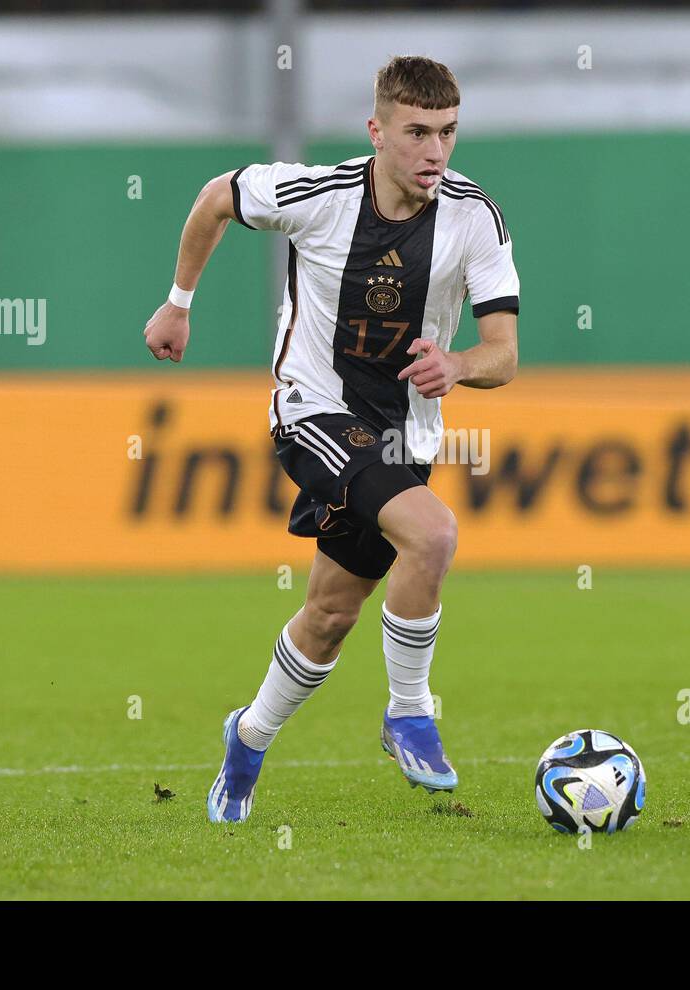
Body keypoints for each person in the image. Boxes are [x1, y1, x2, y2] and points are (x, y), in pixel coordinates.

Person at [142, 55, 520, 824]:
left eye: (447, 133)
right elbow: (218, 196)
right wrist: (178, 303)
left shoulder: (475, 217)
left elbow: (504, 355)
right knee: (436, 534)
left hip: (404, 435)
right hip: (311, 411)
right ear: (377, 131)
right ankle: (408, 713)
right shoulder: (318, 195)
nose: (435, 152)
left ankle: (247, 739)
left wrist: (458, 363)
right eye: (417, 132)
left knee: (329, 616)